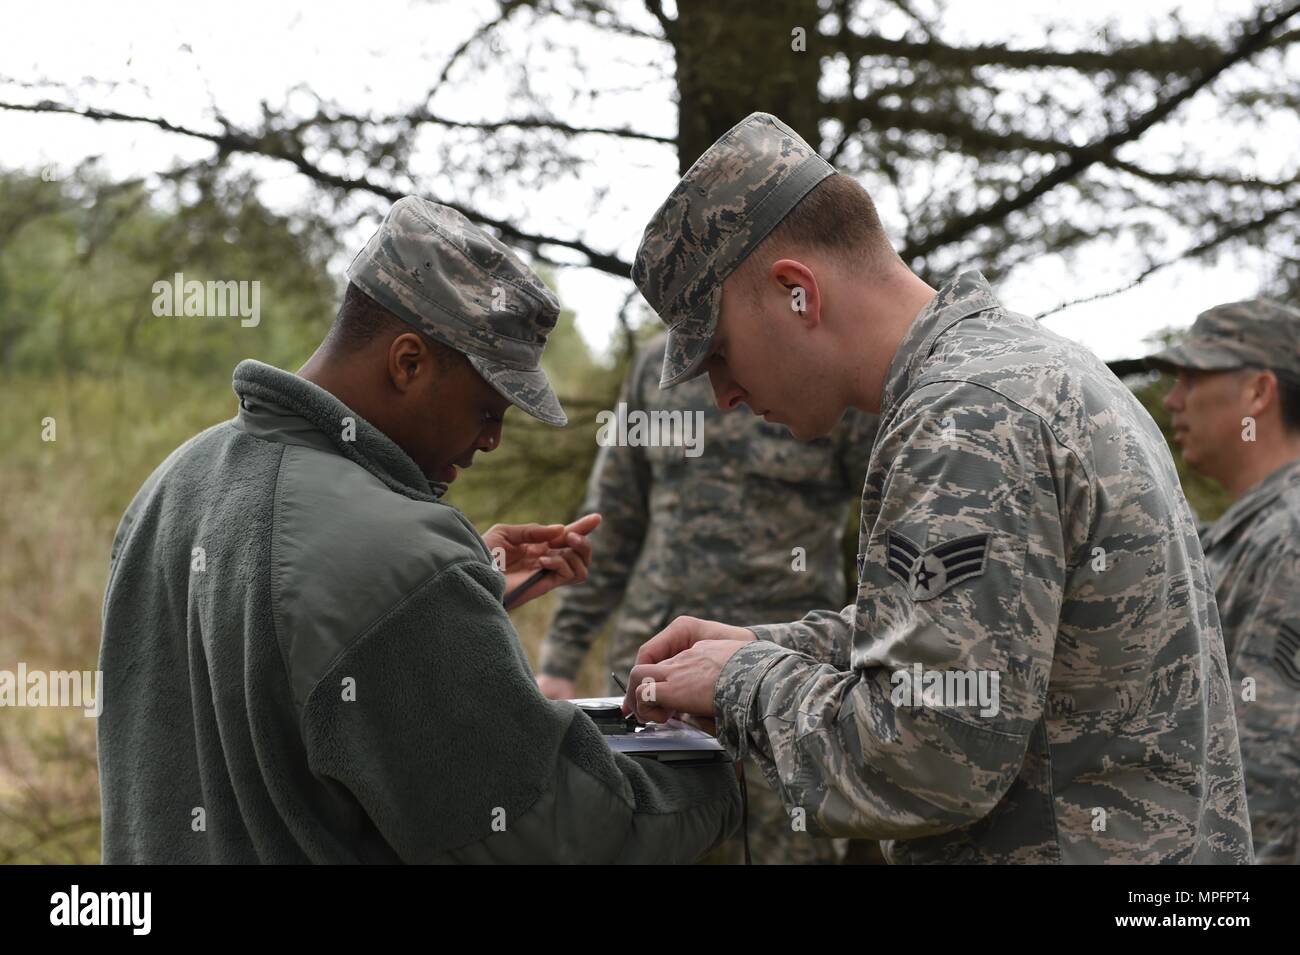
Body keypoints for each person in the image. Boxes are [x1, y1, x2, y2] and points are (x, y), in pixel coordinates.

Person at [622, 112, 1252, 863]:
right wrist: (773, 643)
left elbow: (925, 758)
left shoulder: (964, 419)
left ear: (797, 293)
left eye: (719, 352)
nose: (723, 394)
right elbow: (988, 636)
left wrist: (745, 683)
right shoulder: (1023, 370)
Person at [99, 195, 740, 863]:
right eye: (489, 408)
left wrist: (465, 586)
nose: (491, 440)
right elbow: (561, 835)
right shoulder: (398, 559)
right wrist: (734, 752)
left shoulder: (173, 486)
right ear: (408, 363)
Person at [538, 332, 878, 863]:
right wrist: (561, 657)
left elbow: (883, 537)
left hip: (783, 691)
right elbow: (615, 518)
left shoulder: (821, 368)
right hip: (655, 685)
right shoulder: (658, 366)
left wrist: (864, 670)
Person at [1150, 298, 1300, 864]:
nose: (1173, 400)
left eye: (1192, 377)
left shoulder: (1289, 535)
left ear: (1258, 394)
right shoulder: (1256, 529)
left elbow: (1272, 771)